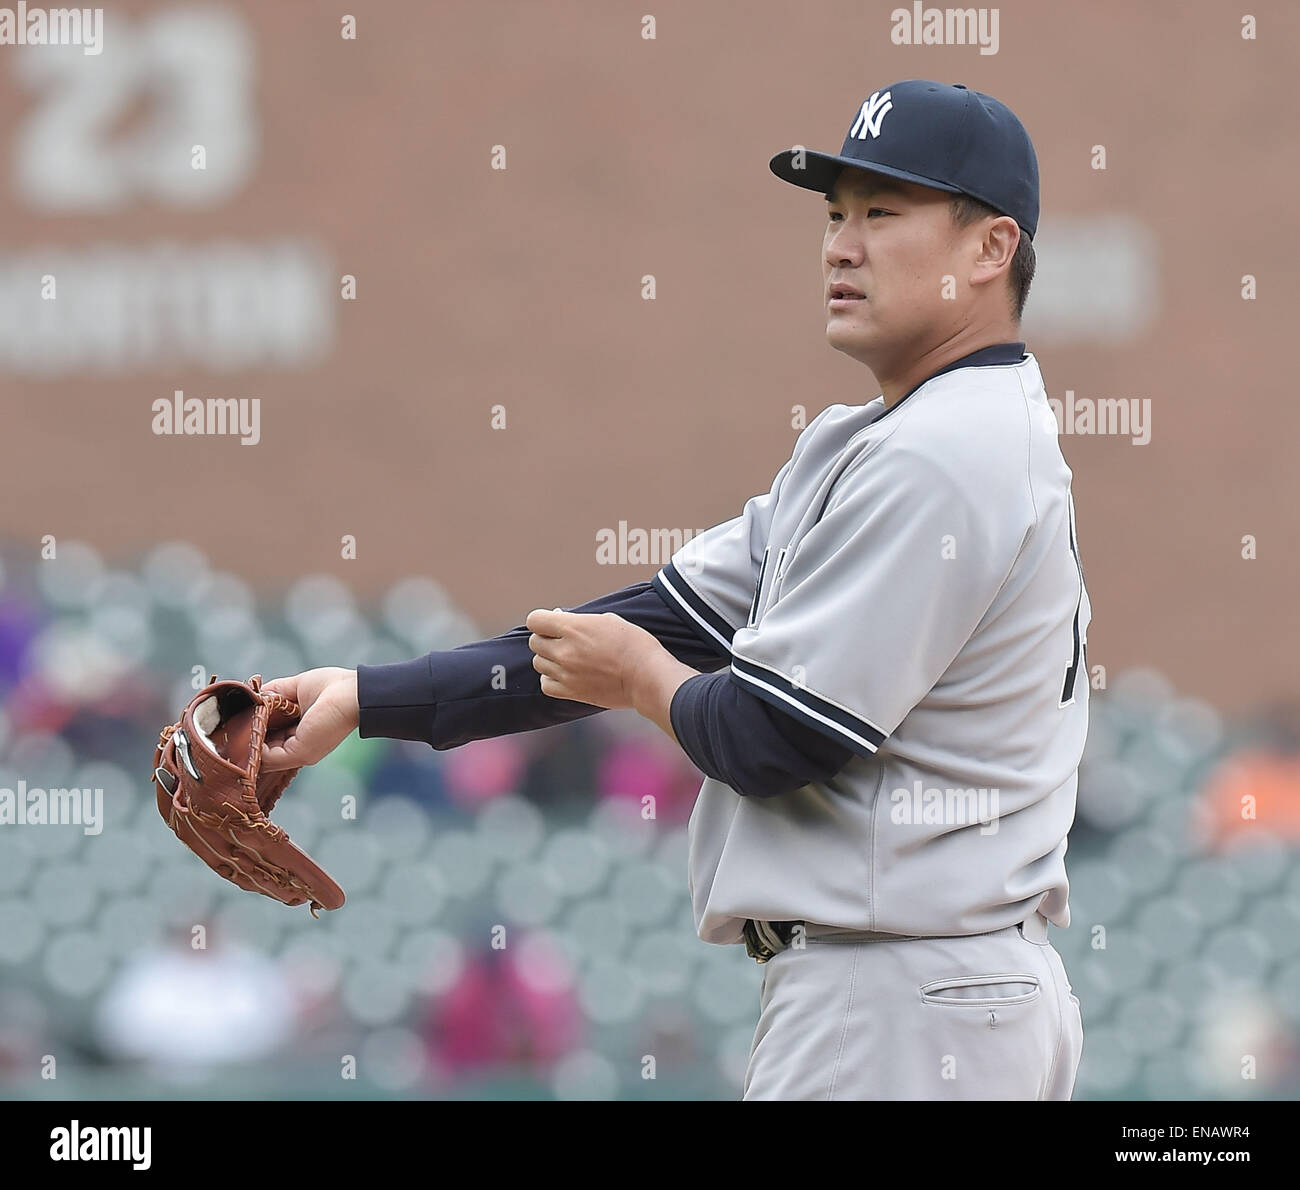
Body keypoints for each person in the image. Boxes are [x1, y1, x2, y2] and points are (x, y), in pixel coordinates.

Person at [262, 79, 1089, 1101]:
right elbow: (647, 621)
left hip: (902, 999)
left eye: (882, 213)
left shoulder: (942, 452)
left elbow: (772, 738)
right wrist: (364, 696)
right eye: (834, 215)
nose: (839, 245)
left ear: (989, 249)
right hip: (930, 989)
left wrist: (641, 680)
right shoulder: (883, 441)